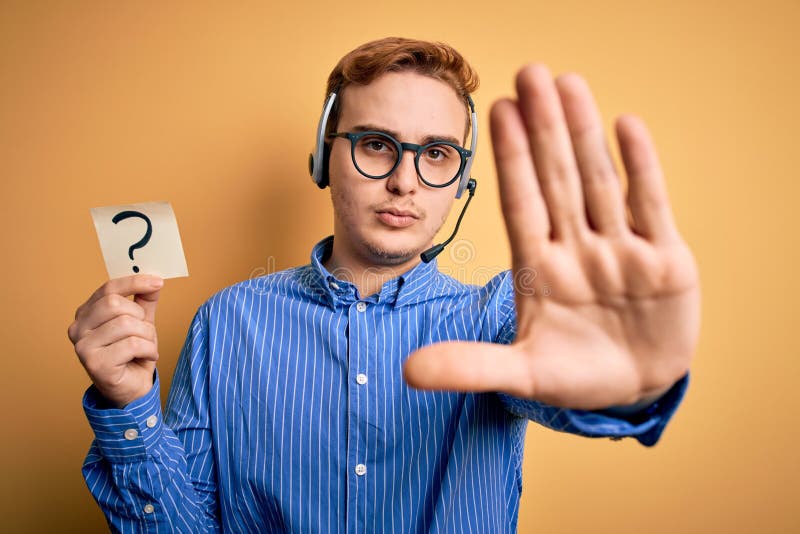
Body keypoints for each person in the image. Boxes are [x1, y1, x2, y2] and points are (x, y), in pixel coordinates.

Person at [68, 37, 700, 532]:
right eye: (376, 144)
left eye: (437, 154)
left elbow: (566, 379)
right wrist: (130, 408)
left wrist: (628, 392)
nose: (405, 182)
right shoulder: (227, 322)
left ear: (459, 183)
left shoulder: (501, 317)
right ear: (323, 157)